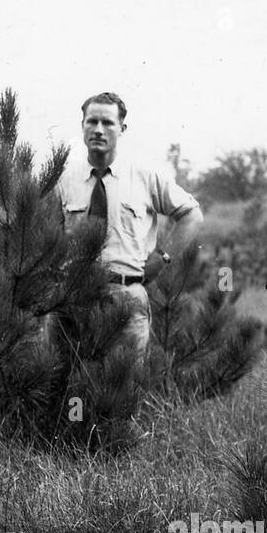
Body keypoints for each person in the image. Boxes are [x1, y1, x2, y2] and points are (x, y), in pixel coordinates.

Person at [53, 91, 204, 354]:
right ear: (82, 126)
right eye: (92, 121)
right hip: (72, 298)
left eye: (108, 123)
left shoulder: (144, 175)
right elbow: (47, 235)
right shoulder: (64, 179)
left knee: (122, 390)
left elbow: (191, 215)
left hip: (124, 298)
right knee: (62, 386)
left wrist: (163, 257)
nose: (99, 130)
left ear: (122, 128)